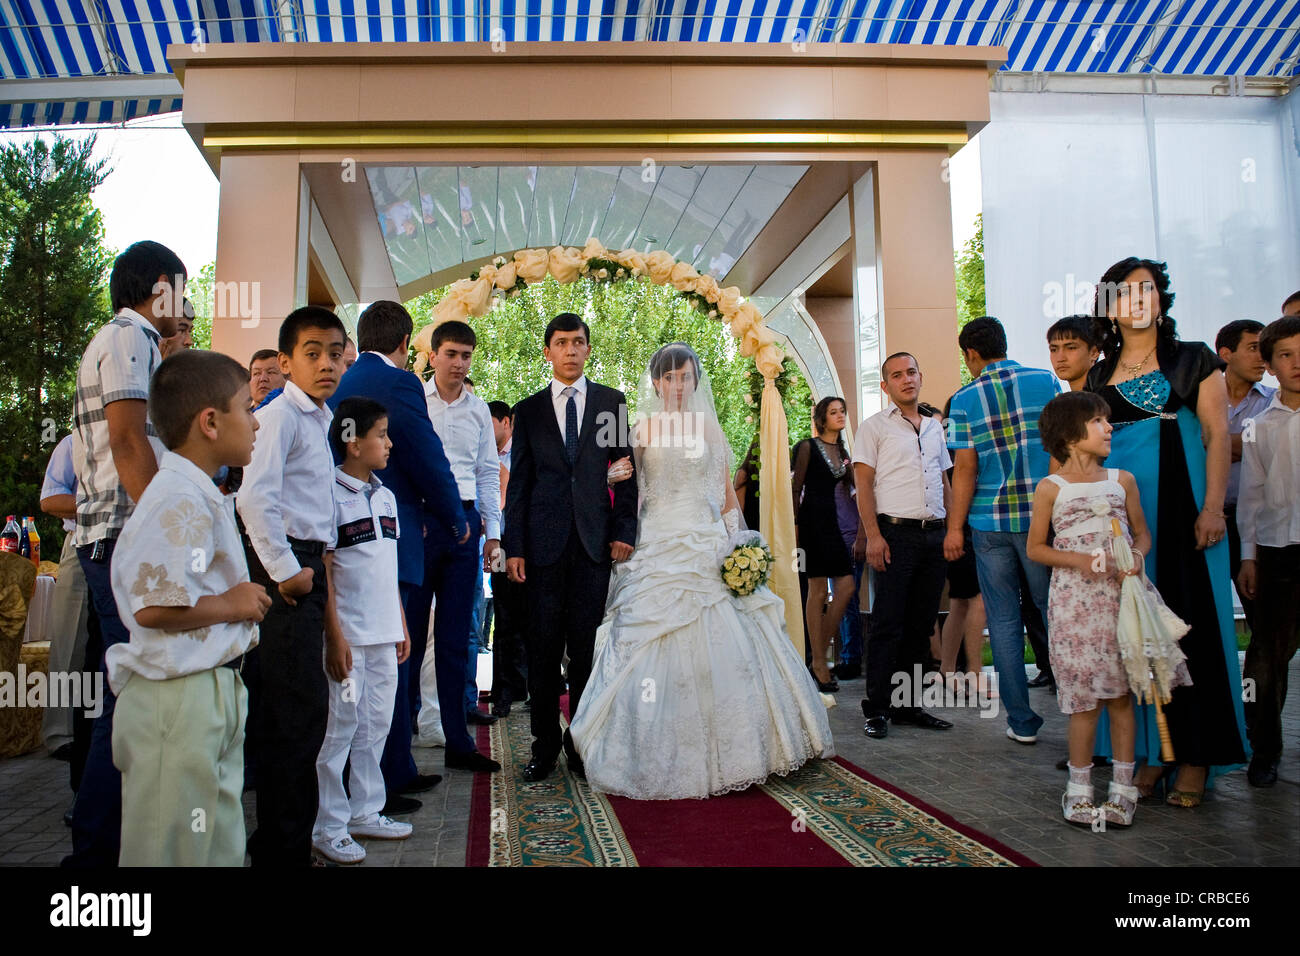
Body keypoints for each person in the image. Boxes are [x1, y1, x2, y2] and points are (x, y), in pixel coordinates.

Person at [569, 343, 834, 798]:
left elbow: (726, 493)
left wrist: (739, 545)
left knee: (735, 636)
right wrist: (616, 500)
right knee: (648, 637)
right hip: (659, 541)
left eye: (686, 377)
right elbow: (633, 490)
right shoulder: (642, 429)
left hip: (706, 539)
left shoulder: (710, 427)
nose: (677, 385)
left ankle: (747, 747)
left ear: (695, 381)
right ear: (656, 382)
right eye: (669, 378)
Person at [1085, 256, 1248, 807]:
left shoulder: (1195, 359)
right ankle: (1152, 754)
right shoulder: (1096, 375)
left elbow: (1216, 434)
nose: (1137, 299)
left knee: (1187, 625)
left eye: (1147, 289)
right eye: (1125, 291)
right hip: (1124, 518)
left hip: (1184, 510)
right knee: (1133, 632)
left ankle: (1196, 755)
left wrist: (1212, 510)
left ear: (1161, 299)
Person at [108, 350, 269, 865]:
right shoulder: (176, 496)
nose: (256, 420)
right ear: (209, 422)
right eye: (247, 407)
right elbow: (154, 606)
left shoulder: (197, 491)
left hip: (208, 688)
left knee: (214, 843)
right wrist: (233, 602)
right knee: (171, 846)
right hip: (174, 700)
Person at [329, 302, 483, 811]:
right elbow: (425, 454)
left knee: (383, 655)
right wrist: (456, 518)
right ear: (408, 342)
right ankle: (386, 776)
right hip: (400, 531)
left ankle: (394, 766)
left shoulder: (348, 376)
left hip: (352, 534)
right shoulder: (399, 383)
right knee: (393, 655)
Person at [65, 240, 185, 868]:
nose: (185, 304)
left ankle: (105, 846)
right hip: (121, 533)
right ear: (161, 287)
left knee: (129, 694)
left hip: (118, 534)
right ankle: (95, 857)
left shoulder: (136, 341)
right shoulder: (127, 336)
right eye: (183, 290)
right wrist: (160, 532)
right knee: (130, 696)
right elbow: (126, 437)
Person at [1027, 391, 1179, 828]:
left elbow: (1142, 535)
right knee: (1083, 700)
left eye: (1107, 421)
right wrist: (1082, 561)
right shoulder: (1050, 488)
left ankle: (1123, 790)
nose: (1109, 428)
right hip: (1075, 603)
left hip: (1120, 600)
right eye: (1098, 421)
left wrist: (1136, 557)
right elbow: (1037, 548)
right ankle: (1078, 790)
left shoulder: (1122, 479)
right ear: (1071, 435)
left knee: (1119, 693)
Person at [503, 312, 638, 782]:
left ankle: (581, 743)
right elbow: (519, 485)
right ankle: (543, 746)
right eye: (561, 343)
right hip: (540, 549)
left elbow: (625, 474)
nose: (571, 350)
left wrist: (624, 531)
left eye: (579, 342)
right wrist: (513, 546)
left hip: (594, 545)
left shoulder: (609, 404)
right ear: (548, 352)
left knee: (585, 650)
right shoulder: (530, 410)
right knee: (542, 649)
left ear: (587, 348)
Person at [236, 306, 345, 865]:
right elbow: (253, 498)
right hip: (287, 575)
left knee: (302, 718)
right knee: (291, 720)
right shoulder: (280, 417)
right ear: (285, 362)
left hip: (305, 566)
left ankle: (283, 848)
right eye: (312, 353)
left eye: (334, 353)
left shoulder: (318, 419)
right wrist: (285, 571)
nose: (326, 364)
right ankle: (281, 855)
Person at [944, 316, 1058, 746]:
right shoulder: (1045, 382)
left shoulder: (963, 400)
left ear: (971, 354)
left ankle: (1022, 722)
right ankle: (1082, 709)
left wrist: (954, 529)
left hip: (988, 524)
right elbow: (1059, 447)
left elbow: (965, 469)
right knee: (1054, 612)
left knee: (1005, 621)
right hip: (1041, 518)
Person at [314, 397, 415, 865]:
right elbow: (328, 570)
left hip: (383, 631)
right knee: (341, 728)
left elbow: (386, 565)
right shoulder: (328, 494)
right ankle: (328, 825)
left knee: (377, 723)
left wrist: (398, 621)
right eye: (381, 435)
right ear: (353, 442)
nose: (389, 443)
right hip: (350, 637)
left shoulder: (386, 494)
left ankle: (365, 810)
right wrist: (334, 634)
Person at [852, 353, 954, 738]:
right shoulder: (873, 428)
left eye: (911, 371)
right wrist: (873, 535)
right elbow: (863, 486)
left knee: (921, 625)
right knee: (887, 624)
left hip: (933, 534)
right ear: (886, 386)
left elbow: (943, 483)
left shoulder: (933, 428)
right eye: (896, 375)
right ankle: (876, 709)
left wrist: (952, 530)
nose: (906, 379)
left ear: (920, 376)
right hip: (894, 534)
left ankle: (908, 706)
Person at [422, 320, 504, 743]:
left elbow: (489, 473)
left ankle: (457, 734)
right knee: (415, 630)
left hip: (468, 524)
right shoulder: (416, 401)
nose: (458, 363)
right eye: (451, 354)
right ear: (433, 355)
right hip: (421, 522)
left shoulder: (478, 410)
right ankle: (413, 729)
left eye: (466, 355)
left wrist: (494, 534)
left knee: (458, 631)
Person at [1236, 315, 1300, 788]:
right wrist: (1249, 556)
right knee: (1264, 660)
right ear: (1271, 364)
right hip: (1278, 554)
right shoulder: (1259, 426)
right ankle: (1264, 750)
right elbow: (1251, 497)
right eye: (1286, 355)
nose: (1297, 363)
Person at [792, 397, 856, 692]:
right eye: (834, 412)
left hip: (833, 522)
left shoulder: (843, 451)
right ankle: (819, 664)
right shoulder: (806, 446)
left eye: (842, 411)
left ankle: (818, 653)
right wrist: (794, 529)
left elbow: (855, 487)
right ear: (821, 418)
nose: (840, 416)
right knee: (816, 591)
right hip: (811, 524)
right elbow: (795, 488)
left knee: (847, 587)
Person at [1215, 319, 1273, 636]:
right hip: (1212, 518)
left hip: (1258, 521)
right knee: (1207, 611)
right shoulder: (1202, 403)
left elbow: (1269, 451)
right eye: (1253, 348)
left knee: (1262, 612)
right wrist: (1240, 445)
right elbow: (1194, 448)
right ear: (1226, 353)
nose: (1262, 357)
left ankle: (1263, 684)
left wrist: (1217, 443)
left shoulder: (1275, 402)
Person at [39, 435, 92, 762]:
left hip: (134, 543)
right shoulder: (73, 443)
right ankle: (61, 734)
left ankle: (102, 724)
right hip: (82, 542)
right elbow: (50, 499)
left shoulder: (146, 435)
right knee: (71, 641)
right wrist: (99, 502)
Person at [488, 400, 528, 717]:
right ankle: (503, 691)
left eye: (489, 423)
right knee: (503, 617)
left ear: (506, 422)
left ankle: (533, 686)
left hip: (528, 543)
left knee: (534, 618)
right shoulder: (486, 456)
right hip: (499, 544)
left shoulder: (524, 452)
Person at [1046, 315, 1099, 392]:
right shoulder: (1063, 402)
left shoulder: (1108, 399)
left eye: (1071, 348)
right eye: (1053, 350)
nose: (1060, 358)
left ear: (1094, 352)